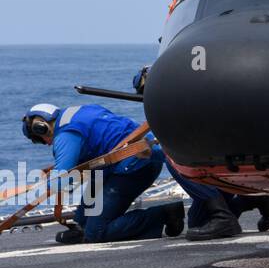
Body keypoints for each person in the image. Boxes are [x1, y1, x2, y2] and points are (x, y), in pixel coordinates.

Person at [132, 65, 269, 241]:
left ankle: (222, 216)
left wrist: (152, 152)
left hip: (223, 155)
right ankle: (254, 201)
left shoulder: (185, 103)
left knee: (172, 157)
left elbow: (185, 143)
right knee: (198, 222)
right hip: (236, 153)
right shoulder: (196, 93)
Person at [21, 104, 183, 245]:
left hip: (133, 169)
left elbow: (62, 180)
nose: (46, 144)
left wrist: (37, 186)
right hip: (134, 159)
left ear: (41, 127)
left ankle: (164, 214)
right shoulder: (82, 110)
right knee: (82, 222)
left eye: (39, 139)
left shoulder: (66, 135)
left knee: (97, 232)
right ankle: (83, 228)